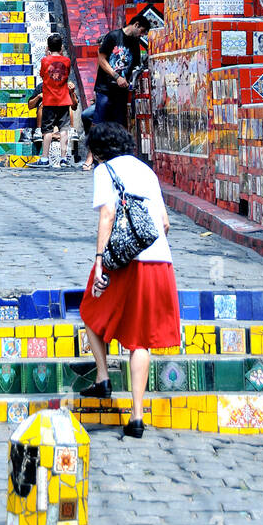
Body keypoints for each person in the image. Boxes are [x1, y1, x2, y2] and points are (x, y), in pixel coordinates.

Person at [79, 122, 180, 439]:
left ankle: (103, 376)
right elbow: (164, 223)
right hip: (160, 261)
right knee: (141, 340)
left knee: (90, 310)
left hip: (126, 262)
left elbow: (107, 215)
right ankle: (137, 418)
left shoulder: (104, 171)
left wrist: (99, 262)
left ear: (96, 150)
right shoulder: (146, 170)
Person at [92, 16, 151, 130]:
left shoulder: (135, 43)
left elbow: (135, 66)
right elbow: (101, 59)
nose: (142, 35)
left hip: (121, 92)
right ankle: (93, 147)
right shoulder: (113, 36)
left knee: (120, 125)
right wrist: (116, 77)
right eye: (142, 31)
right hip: (105, 88)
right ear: (136, 25)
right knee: (99, 123)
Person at [37, 33, 78, 169]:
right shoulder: (66, 61)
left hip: (49, 100)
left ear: (48, 47)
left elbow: (42, 74)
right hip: (63, 100)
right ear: (61, 47)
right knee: (64, 129)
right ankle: (64, 158)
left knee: (47, 130)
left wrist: (46, 55)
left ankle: (44, 158)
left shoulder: (45, 60)